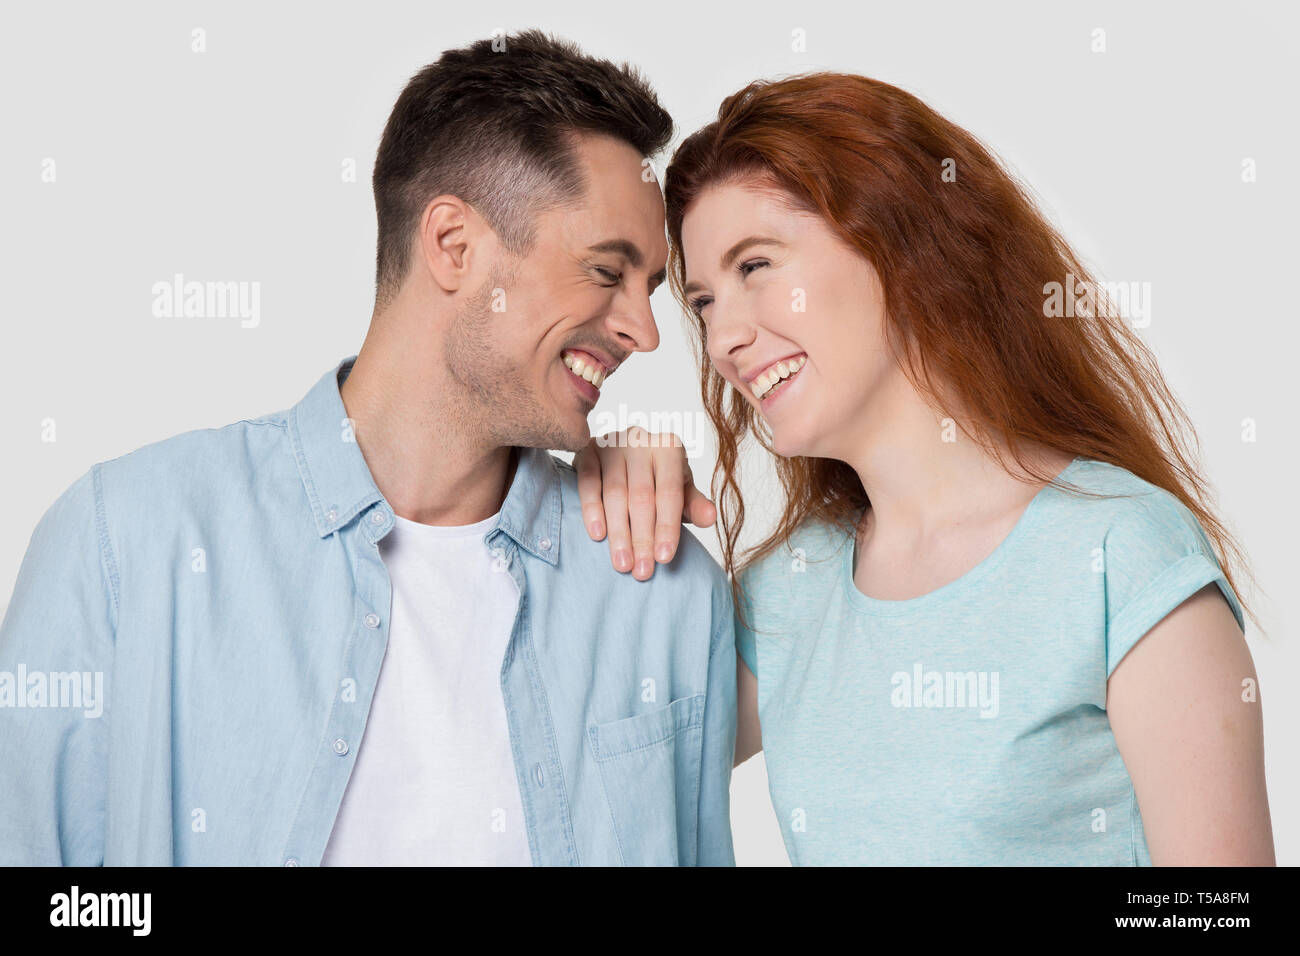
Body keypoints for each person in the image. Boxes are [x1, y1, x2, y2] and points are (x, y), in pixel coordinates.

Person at [0, 30, 736, 867]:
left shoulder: (659, 587)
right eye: (609, 272)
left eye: (651, 290)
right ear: (454, 247)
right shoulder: (126, 543)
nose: (644, 332)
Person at [575, 71, 1275, 865]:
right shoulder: (788, 593)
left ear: (900, 244)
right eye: (702, 301)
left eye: (756, 266)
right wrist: (606, 476)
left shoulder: (1120, 556)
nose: (724, 336)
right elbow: (587, 756)